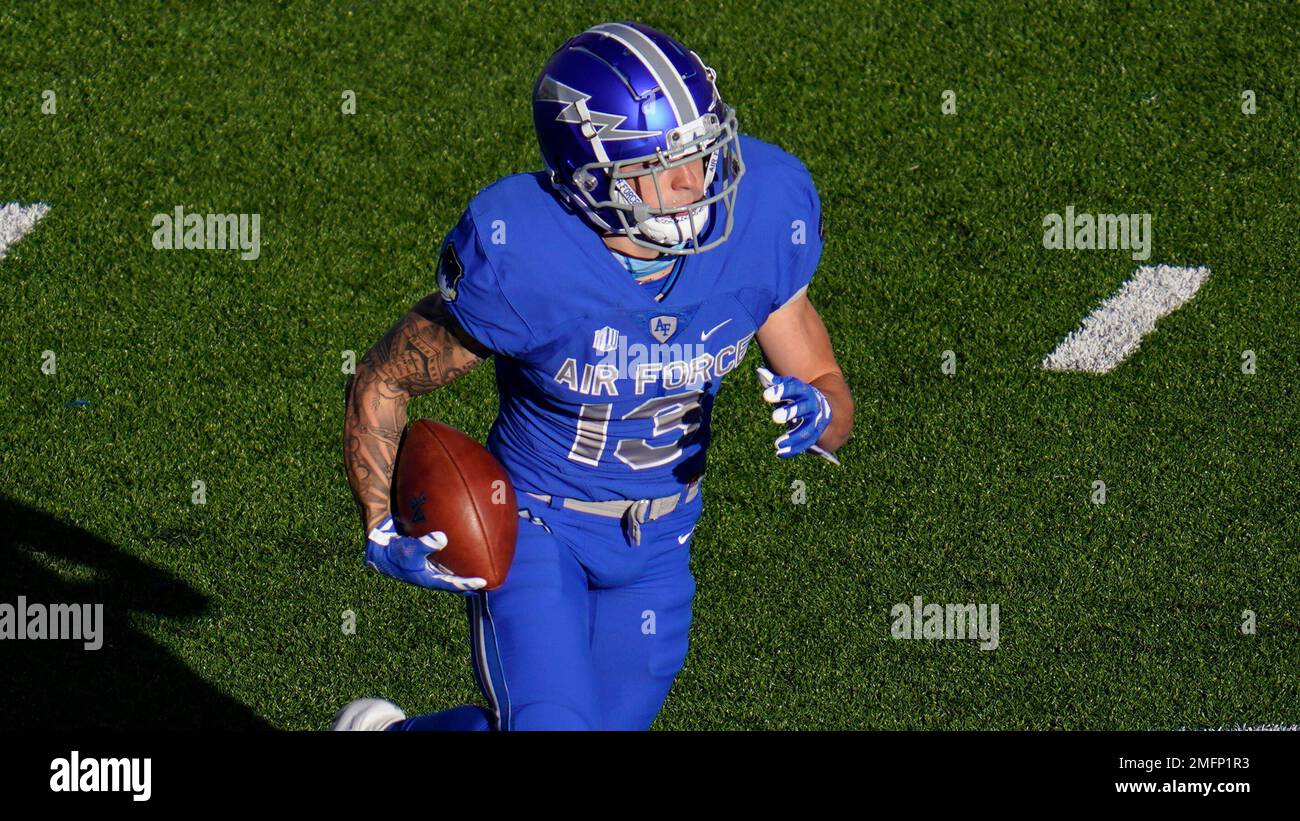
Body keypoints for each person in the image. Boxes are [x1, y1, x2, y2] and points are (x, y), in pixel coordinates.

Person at [333, 20, 853, 731]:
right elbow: (386, 378)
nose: (692, 179)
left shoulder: (762, 218)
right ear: (592, 176)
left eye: (701, 151)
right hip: (536, 523)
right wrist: (380, 521)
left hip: (661, 546)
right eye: (657, 165)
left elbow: (824, 377)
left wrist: (821, 413)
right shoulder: (528, 255)